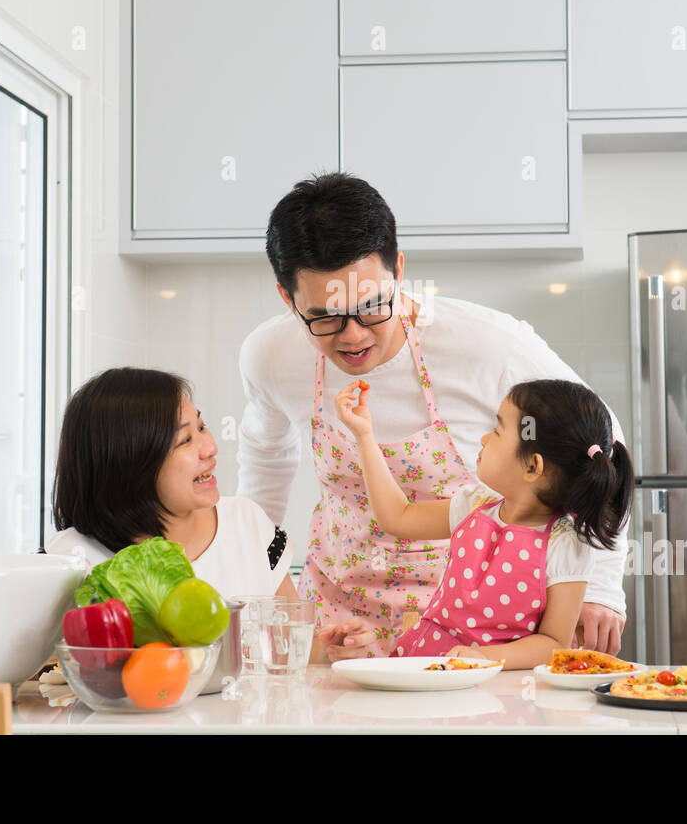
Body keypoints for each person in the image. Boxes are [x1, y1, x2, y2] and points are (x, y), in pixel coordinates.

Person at [238, 171, 631, 657]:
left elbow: (602, 440)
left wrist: (601, 588)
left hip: (471, 629)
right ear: (286, 298)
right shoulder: (270, 356)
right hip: (337, 625)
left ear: (398, 269)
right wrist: (259, 599)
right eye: (324, 317)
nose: (354, 335)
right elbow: (264, 473)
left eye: (372, 306)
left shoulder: (488, 346)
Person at [43, 367, 373, 661]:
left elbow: (290, 648)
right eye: (185, 439)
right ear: (128, 464)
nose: (210, 447)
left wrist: (331, 649)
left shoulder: (247, 523)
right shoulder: (68, 561)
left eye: (202, 427)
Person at [331, 377, 634, 669]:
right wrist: (364, 436)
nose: (484, 438)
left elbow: (553, 643)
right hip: (424, 665)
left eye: (498, 431)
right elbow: (397, 516)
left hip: (498, 689)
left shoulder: (564, 544)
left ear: (532, 466)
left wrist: (485, 659)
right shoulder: (473, 506)